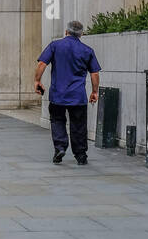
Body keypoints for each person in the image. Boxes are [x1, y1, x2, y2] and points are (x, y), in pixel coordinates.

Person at [34, 21, 101, 166]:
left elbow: (42, 64)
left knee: (57, 121)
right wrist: (95, 91)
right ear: (81, 34)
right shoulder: (87, 50)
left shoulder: (55, 46)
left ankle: (60, 147)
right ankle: (81, 155)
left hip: (58, 94)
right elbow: (94, 73)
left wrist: (37, 81)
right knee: (79, 126)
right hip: (78, 96)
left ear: (66, 32)